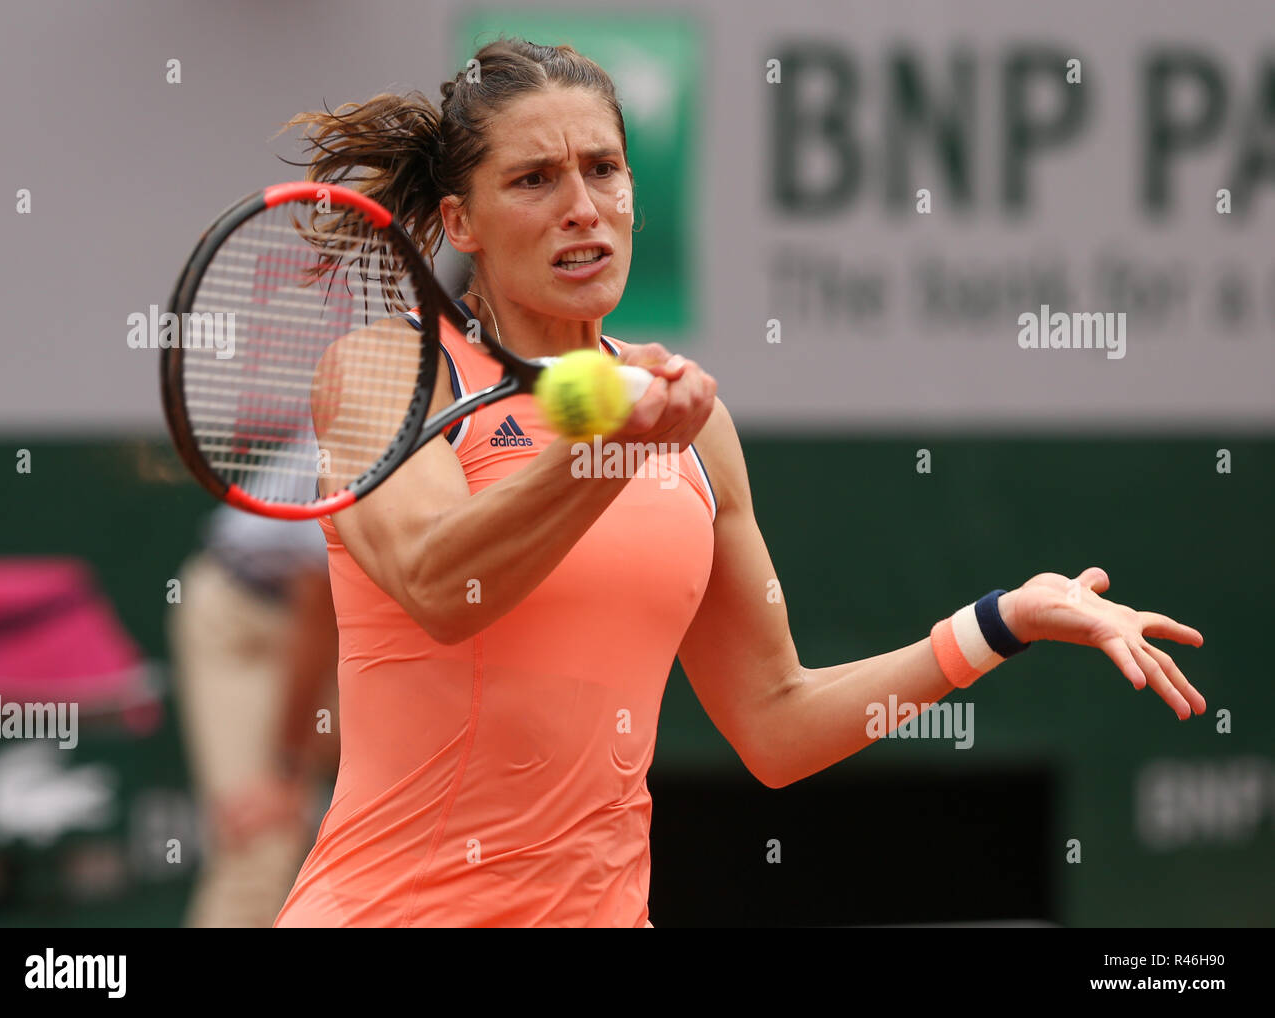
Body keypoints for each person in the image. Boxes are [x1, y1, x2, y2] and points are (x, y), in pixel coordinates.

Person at [273, 37, 1206, 928]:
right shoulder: (386, 372)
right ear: (459, 221)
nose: (582, 207)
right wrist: (612, 449)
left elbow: (776, 723)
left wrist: (1002, 622)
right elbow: (442, 586)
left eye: (604, 169)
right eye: (533, 180)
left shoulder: (692, 425)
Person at [171, 497, 339, 927]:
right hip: (241, 622)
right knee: (264, 840)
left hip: (353, 633)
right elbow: (315, 620)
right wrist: (286, 770)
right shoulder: (351, 464)